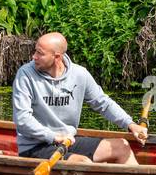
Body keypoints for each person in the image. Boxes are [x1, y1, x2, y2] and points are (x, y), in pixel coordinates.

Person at [12, 31, 147, 164]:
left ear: (57, 57)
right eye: (35, 51)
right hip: (36, 146)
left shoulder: (79, 74)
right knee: (83, 162)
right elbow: (22, 119)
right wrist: (53, 137)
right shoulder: (25, 75)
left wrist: (130, 124)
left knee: (122, 146)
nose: (33, 56)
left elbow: (103, 103)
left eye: (40, 53)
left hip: (69, 141)